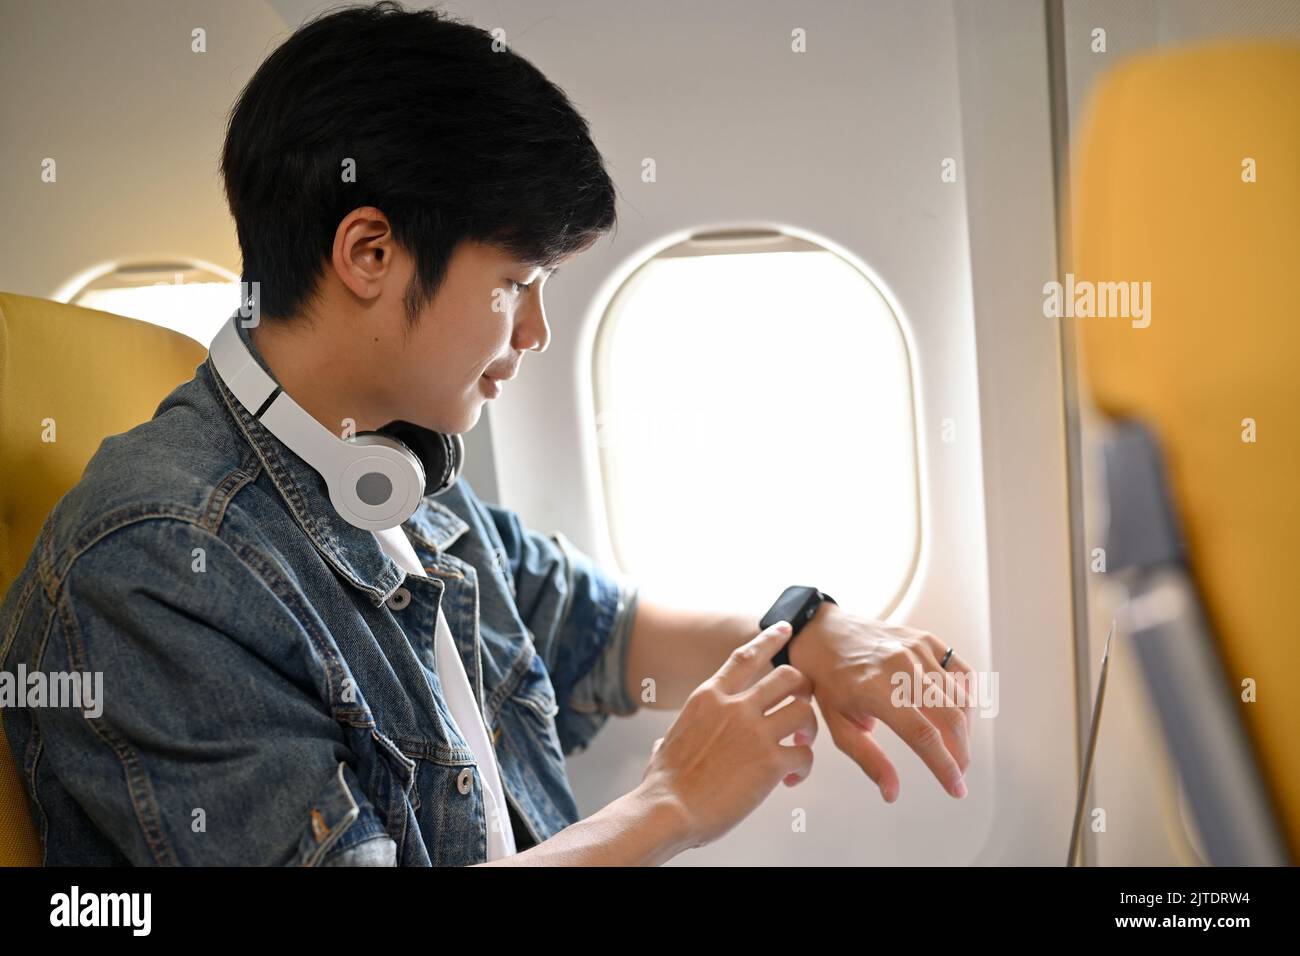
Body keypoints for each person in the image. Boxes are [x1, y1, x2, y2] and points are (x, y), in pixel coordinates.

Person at [0, 1, 973, 866]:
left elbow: (600, 629)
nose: (537, 331)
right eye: (514, 284)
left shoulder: (389, 460)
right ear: (369, 252)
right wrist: (669, 802)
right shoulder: (155, 575)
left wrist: (812, 626)